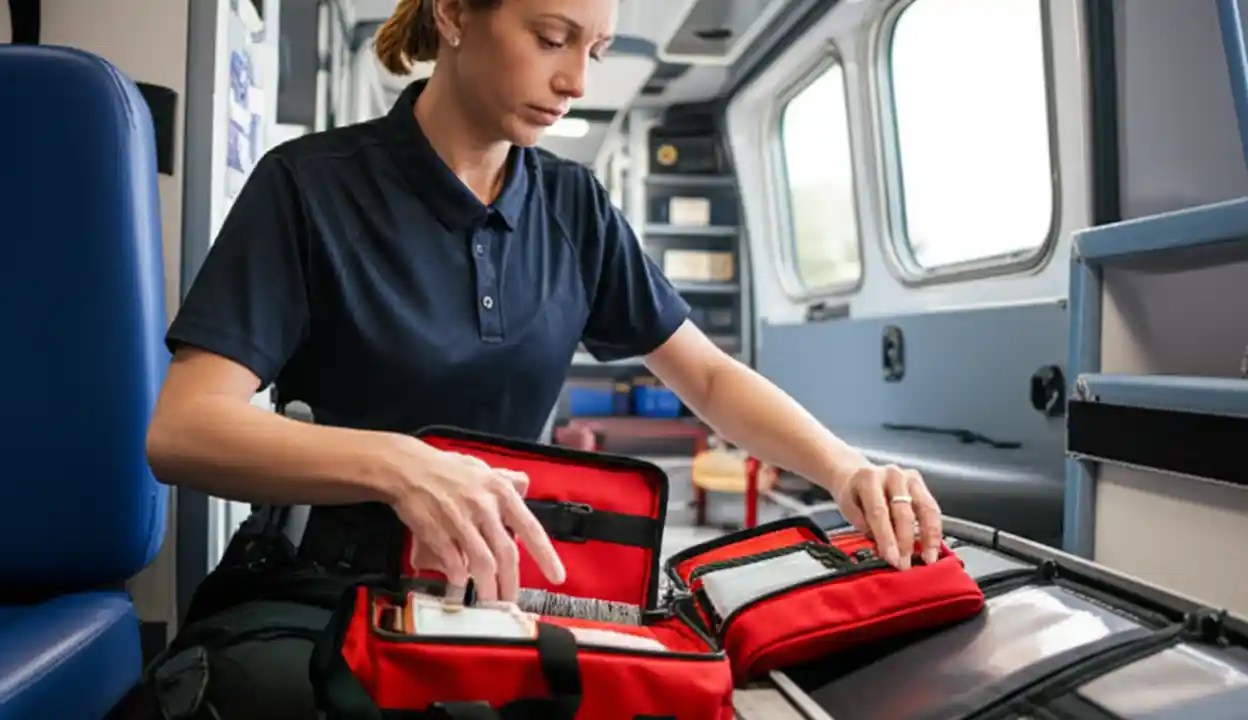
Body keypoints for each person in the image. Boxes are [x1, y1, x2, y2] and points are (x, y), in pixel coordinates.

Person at [128, 0, 944, 717]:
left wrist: (845, 471)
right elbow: (184, 431)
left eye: (594, 50)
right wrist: (401, 466)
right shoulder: (309, 186)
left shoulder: (574, 207)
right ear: (452, 14)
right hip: (328, 589)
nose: (575, 82)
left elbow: (707, 375)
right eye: (551, 38)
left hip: (500, 593)